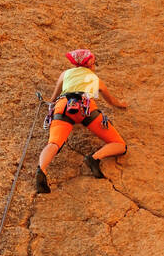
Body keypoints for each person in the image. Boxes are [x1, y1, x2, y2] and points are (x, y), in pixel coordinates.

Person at [36, 48, 127, 193]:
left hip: (63, 107)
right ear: (91, 65)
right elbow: (111, 101)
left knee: (54, 143)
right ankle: (94, 158)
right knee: (120, 144)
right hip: (86, 108)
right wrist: (121, 104)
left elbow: (53, 99)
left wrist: (48, 103)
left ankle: (42, 169)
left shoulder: (65, 74)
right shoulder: (94, 79)